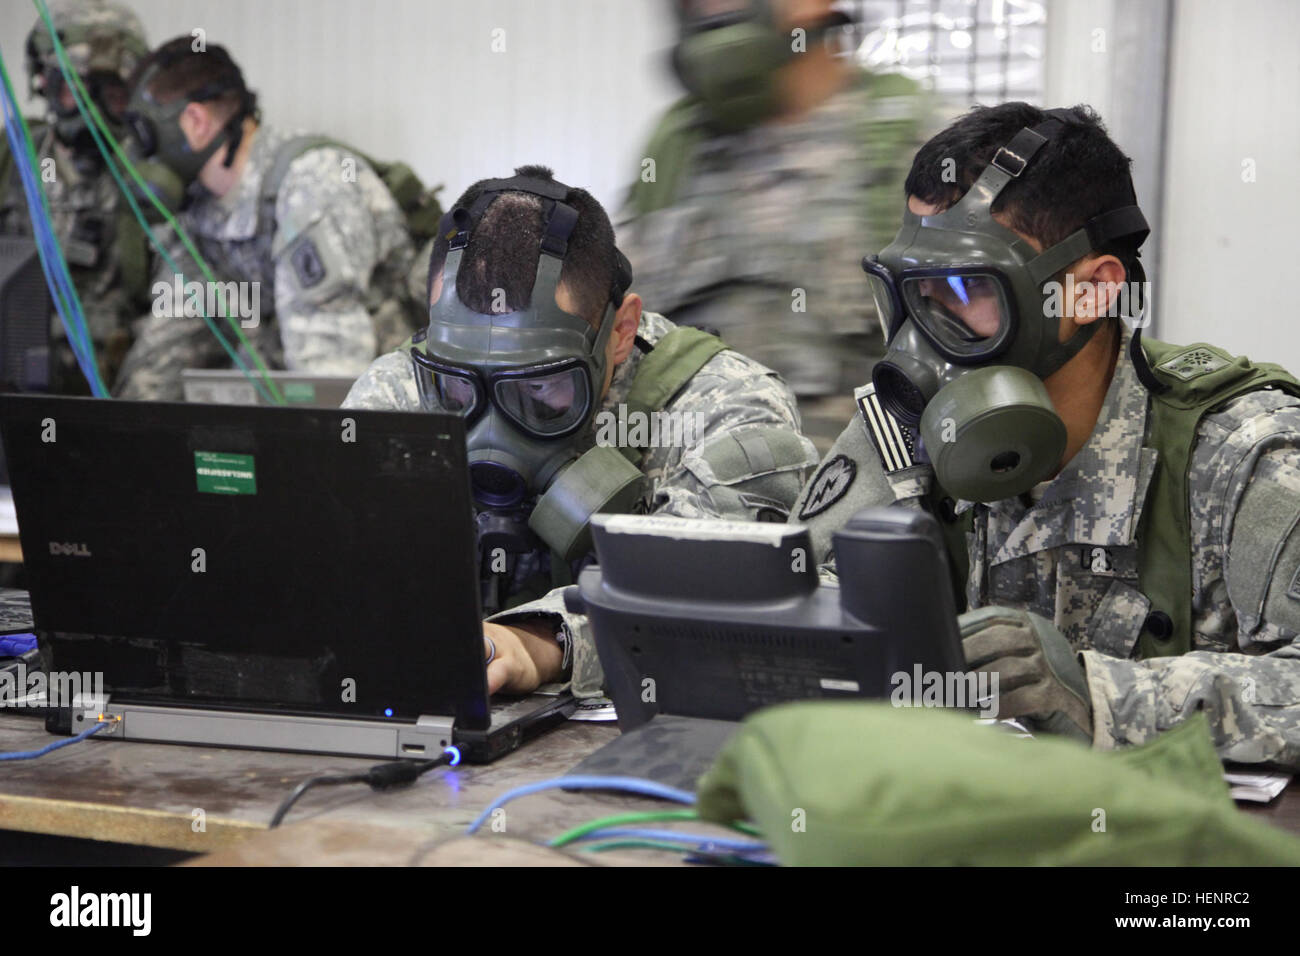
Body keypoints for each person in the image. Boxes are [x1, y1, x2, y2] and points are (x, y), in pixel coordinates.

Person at [795, 102, 1300, 768]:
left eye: (962, 289)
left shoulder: (1241, 453)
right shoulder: (902, 430)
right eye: (906, 292)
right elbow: (794, 621)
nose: (920, 337)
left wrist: (1100, 697)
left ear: (1090, 291)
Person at [344, 165, 818, 698]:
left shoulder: (724, 405)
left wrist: (540, 643)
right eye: (461, 385)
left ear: (620, 332)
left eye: (540, 386)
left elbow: (721, 598)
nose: (493, 430)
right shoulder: (404, 390)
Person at [615, 0, 929, 449]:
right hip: (691, 486)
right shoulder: (673, 152)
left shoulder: (916, 142)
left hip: (860, 484)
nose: (708, 11)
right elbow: (620, 341)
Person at [112, 36, 418, 400]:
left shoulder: (312, 184)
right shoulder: (198, 211)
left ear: (196, 121)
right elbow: (163, 354)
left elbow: (329, 373)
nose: (137, 155)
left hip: (382, 396)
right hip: (287, 393)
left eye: (144, 135)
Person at [0, 0, 150, 393]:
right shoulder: (12, 159)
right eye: (71, 89)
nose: (90, 111)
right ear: (43, 83)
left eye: (111, 94)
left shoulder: (152, 181)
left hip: (113, 395)